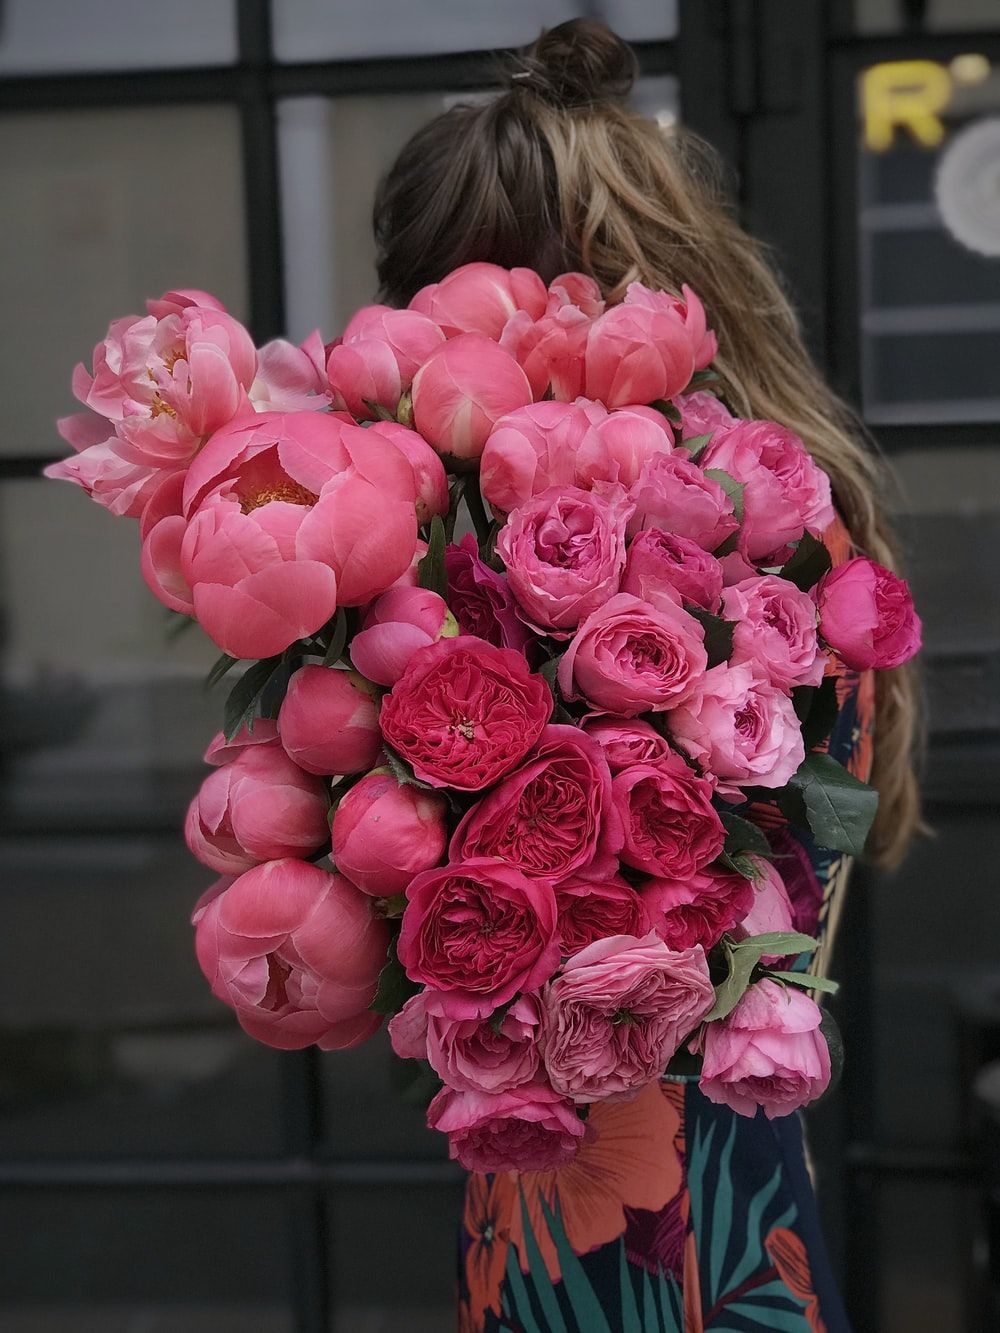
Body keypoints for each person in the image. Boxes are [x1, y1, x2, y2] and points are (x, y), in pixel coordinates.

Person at [373, 19, 921, 1332]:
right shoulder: (795, 525)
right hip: (681, 1201)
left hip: (645, 1238)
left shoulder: (701, 559)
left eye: (439, 320)